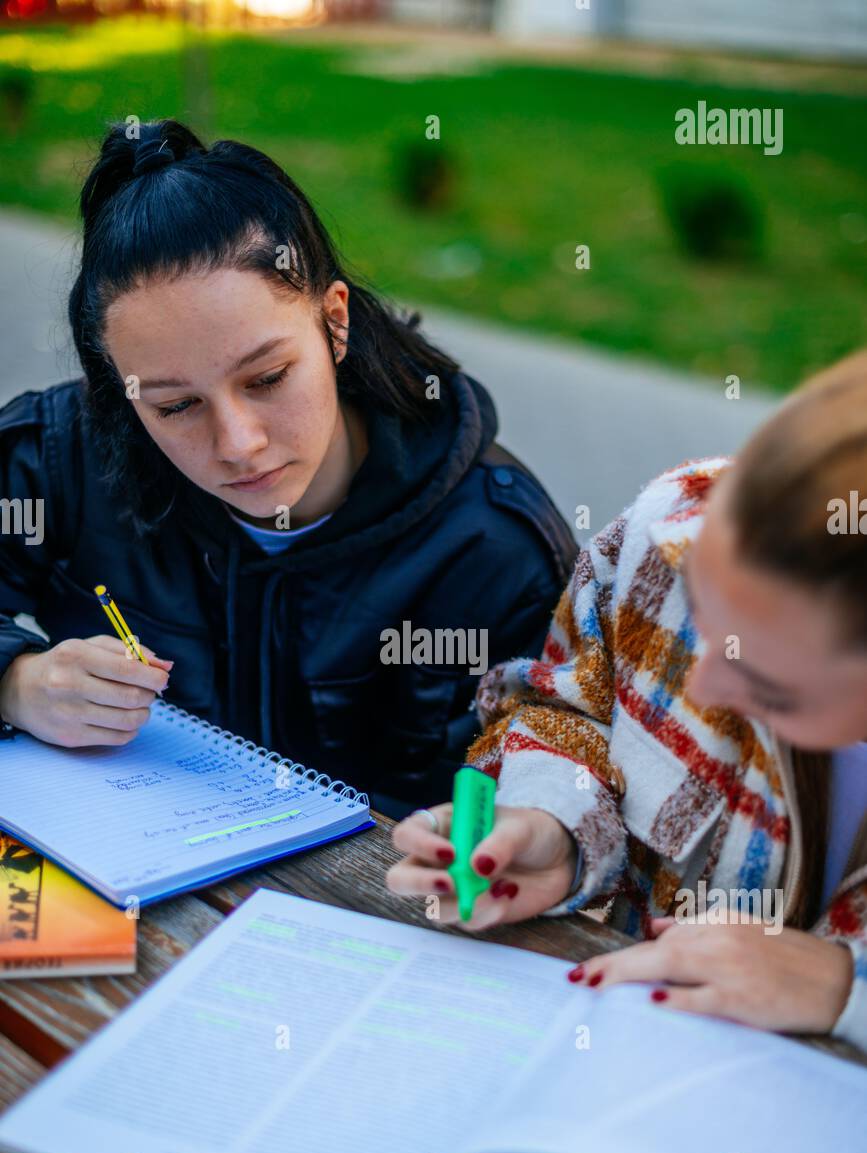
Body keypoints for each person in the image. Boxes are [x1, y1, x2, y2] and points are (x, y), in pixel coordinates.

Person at [0, 119, 576, 820]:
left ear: (335, 322)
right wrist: (17, 681)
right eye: (175, 404)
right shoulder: (59, 457)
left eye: (268, 378)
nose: (237, 443)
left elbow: (549, 786)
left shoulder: (494, 549)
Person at [387, 349, 867, 1051]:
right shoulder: (670, 530)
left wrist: (839, 991)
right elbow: (572, 707)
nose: (702, 687)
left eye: (769, 687)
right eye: (702, 618)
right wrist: (556, 825)